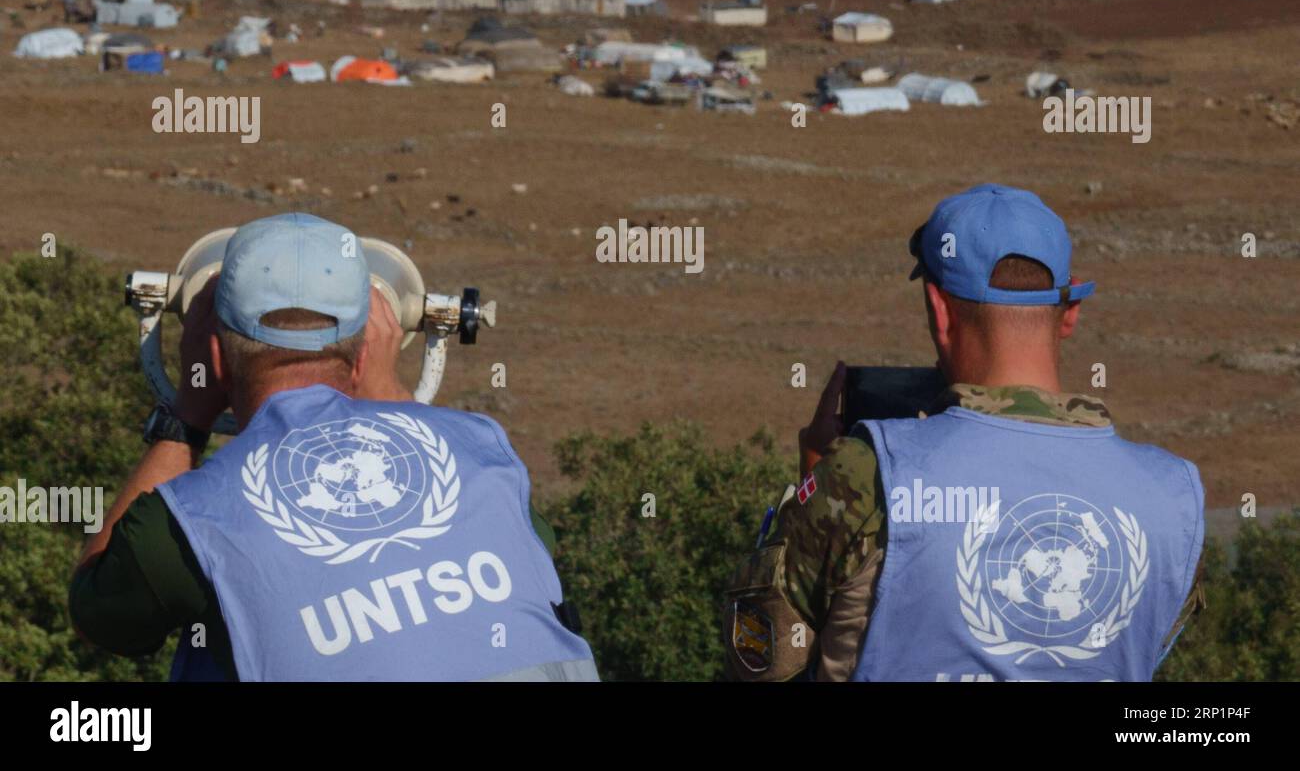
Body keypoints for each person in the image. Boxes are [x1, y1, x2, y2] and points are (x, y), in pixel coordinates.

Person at [70, 213, 597, 681]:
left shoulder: (195, 521)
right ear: (365, 355)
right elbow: (528, 556)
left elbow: (101, 615)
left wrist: (185, 416)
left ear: (216, 355)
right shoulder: (484, 454)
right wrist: (393, 398)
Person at [723, 184, 1204, 682]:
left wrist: (818, 473)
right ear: (1071, 313)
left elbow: (765, 664)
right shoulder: (1174, 498)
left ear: (939, 309)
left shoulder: (866, 475)